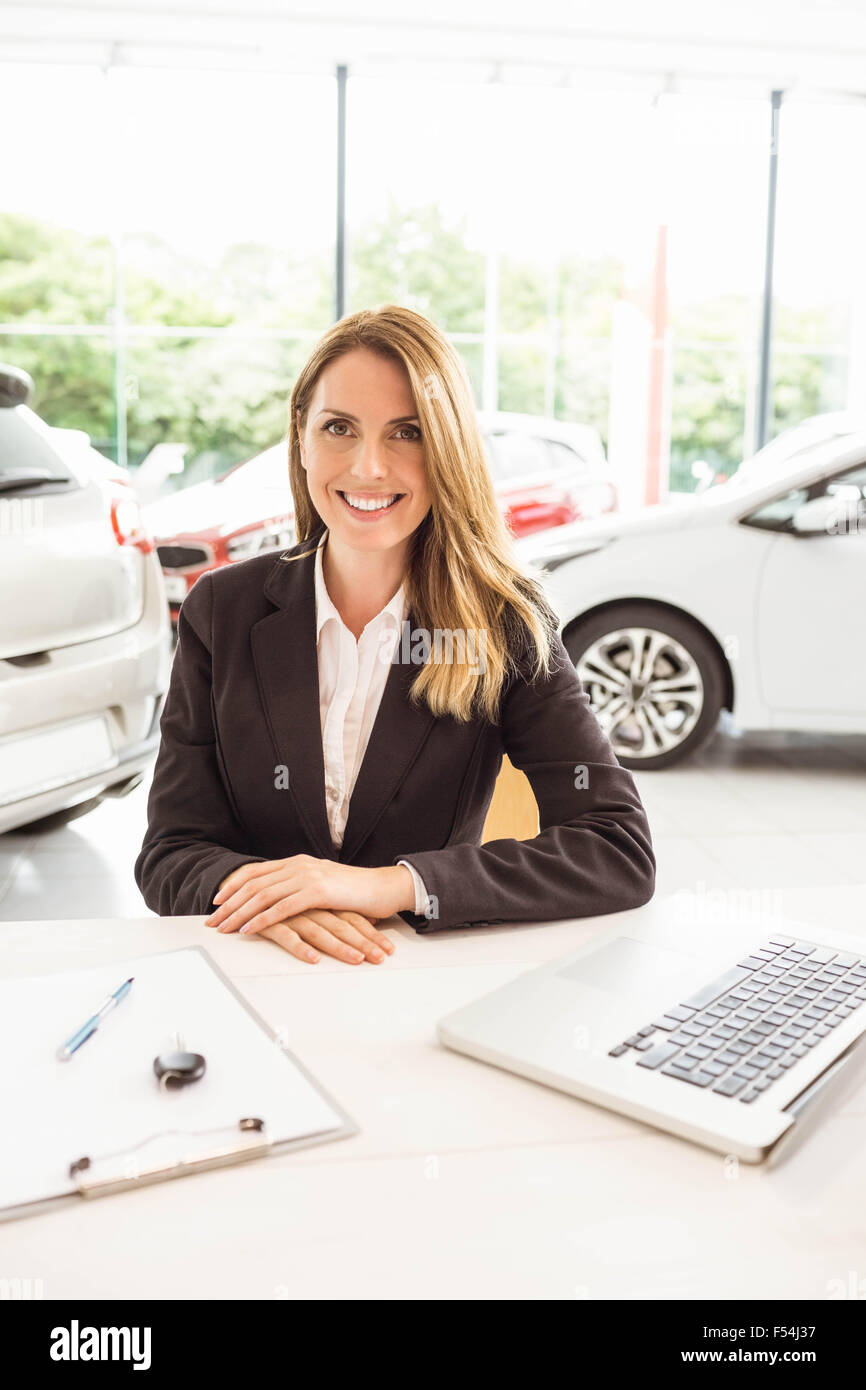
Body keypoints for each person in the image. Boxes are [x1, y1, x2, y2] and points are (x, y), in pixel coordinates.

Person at [134, 304, 655, 964]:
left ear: (447, 449)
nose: (370, 467)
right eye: (339, 428)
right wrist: (271, 899)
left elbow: (617, 848)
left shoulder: (503, 625)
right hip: (257, 969)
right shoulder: (222, 611)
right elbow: (170, 853)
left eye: (406, 432)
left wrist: (388, 887)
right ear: (301, 437)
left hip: (415, 975)